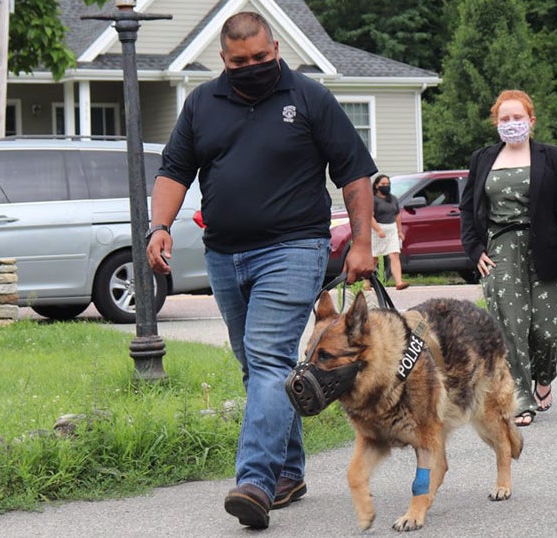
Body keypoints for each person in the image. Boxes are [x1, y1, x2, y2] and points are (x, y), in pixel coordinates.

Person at [145, 12, 376, 530]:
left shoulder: (310, 98)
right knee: (257, 369)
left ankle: (255, 481)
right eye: (239, 62)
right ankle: (289, 472)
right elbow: (174, 171)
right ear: (224, 60)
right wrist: (158, 225)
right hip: (224, 253)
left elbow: (354, 173)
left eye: (261, 59)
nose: (251, 68)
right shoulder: (203, 103)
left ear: (276, 48)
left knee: (269, 358)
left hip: (294, 248)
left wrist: (361, 241)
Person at [460, 89, 557, 427]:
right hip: (500, 249)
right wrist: (475, 251)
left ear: (531, 120)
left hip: (545, 248)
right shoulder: (482, 158)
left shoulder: (552, 157)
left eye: (518, 118)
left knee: (544, 331)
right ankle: (521, 399)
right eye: (505, 119)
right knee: (510, 329)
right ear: (496, 123)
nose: (511, 124)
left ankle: (545, 375)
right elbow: (468, 209)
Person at [370, 173, 409, 290]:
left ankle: (399, 282)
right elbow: (370, 217)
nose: (386, 186)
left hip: (391, 229)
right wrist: (378, 229)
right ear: (377, 185)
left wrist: (399, 231)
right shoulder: (373, 200)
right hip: (378, 229)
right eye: (383, 184)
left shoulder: (393, 199)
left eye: (388, 184)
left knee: (394, 255)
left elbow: (397, 215)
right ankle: (367, 282)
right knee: (374, 257)